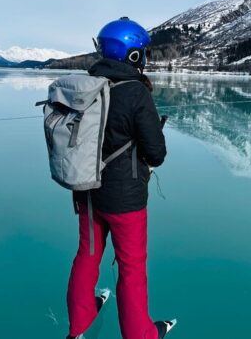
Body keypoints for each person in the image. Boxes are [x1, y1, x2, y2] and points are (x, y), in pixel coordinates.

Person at [66, 17, 175, 339]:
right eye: (142, 52)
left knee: (86, 255)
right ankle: (141, 334)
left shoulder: (85, 88)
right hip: (124, 197)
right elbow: (156, 154)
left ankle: (79, 326)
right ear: (133, 55)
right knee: (131, 268)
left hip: (84, 190)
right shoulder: (134, 93)